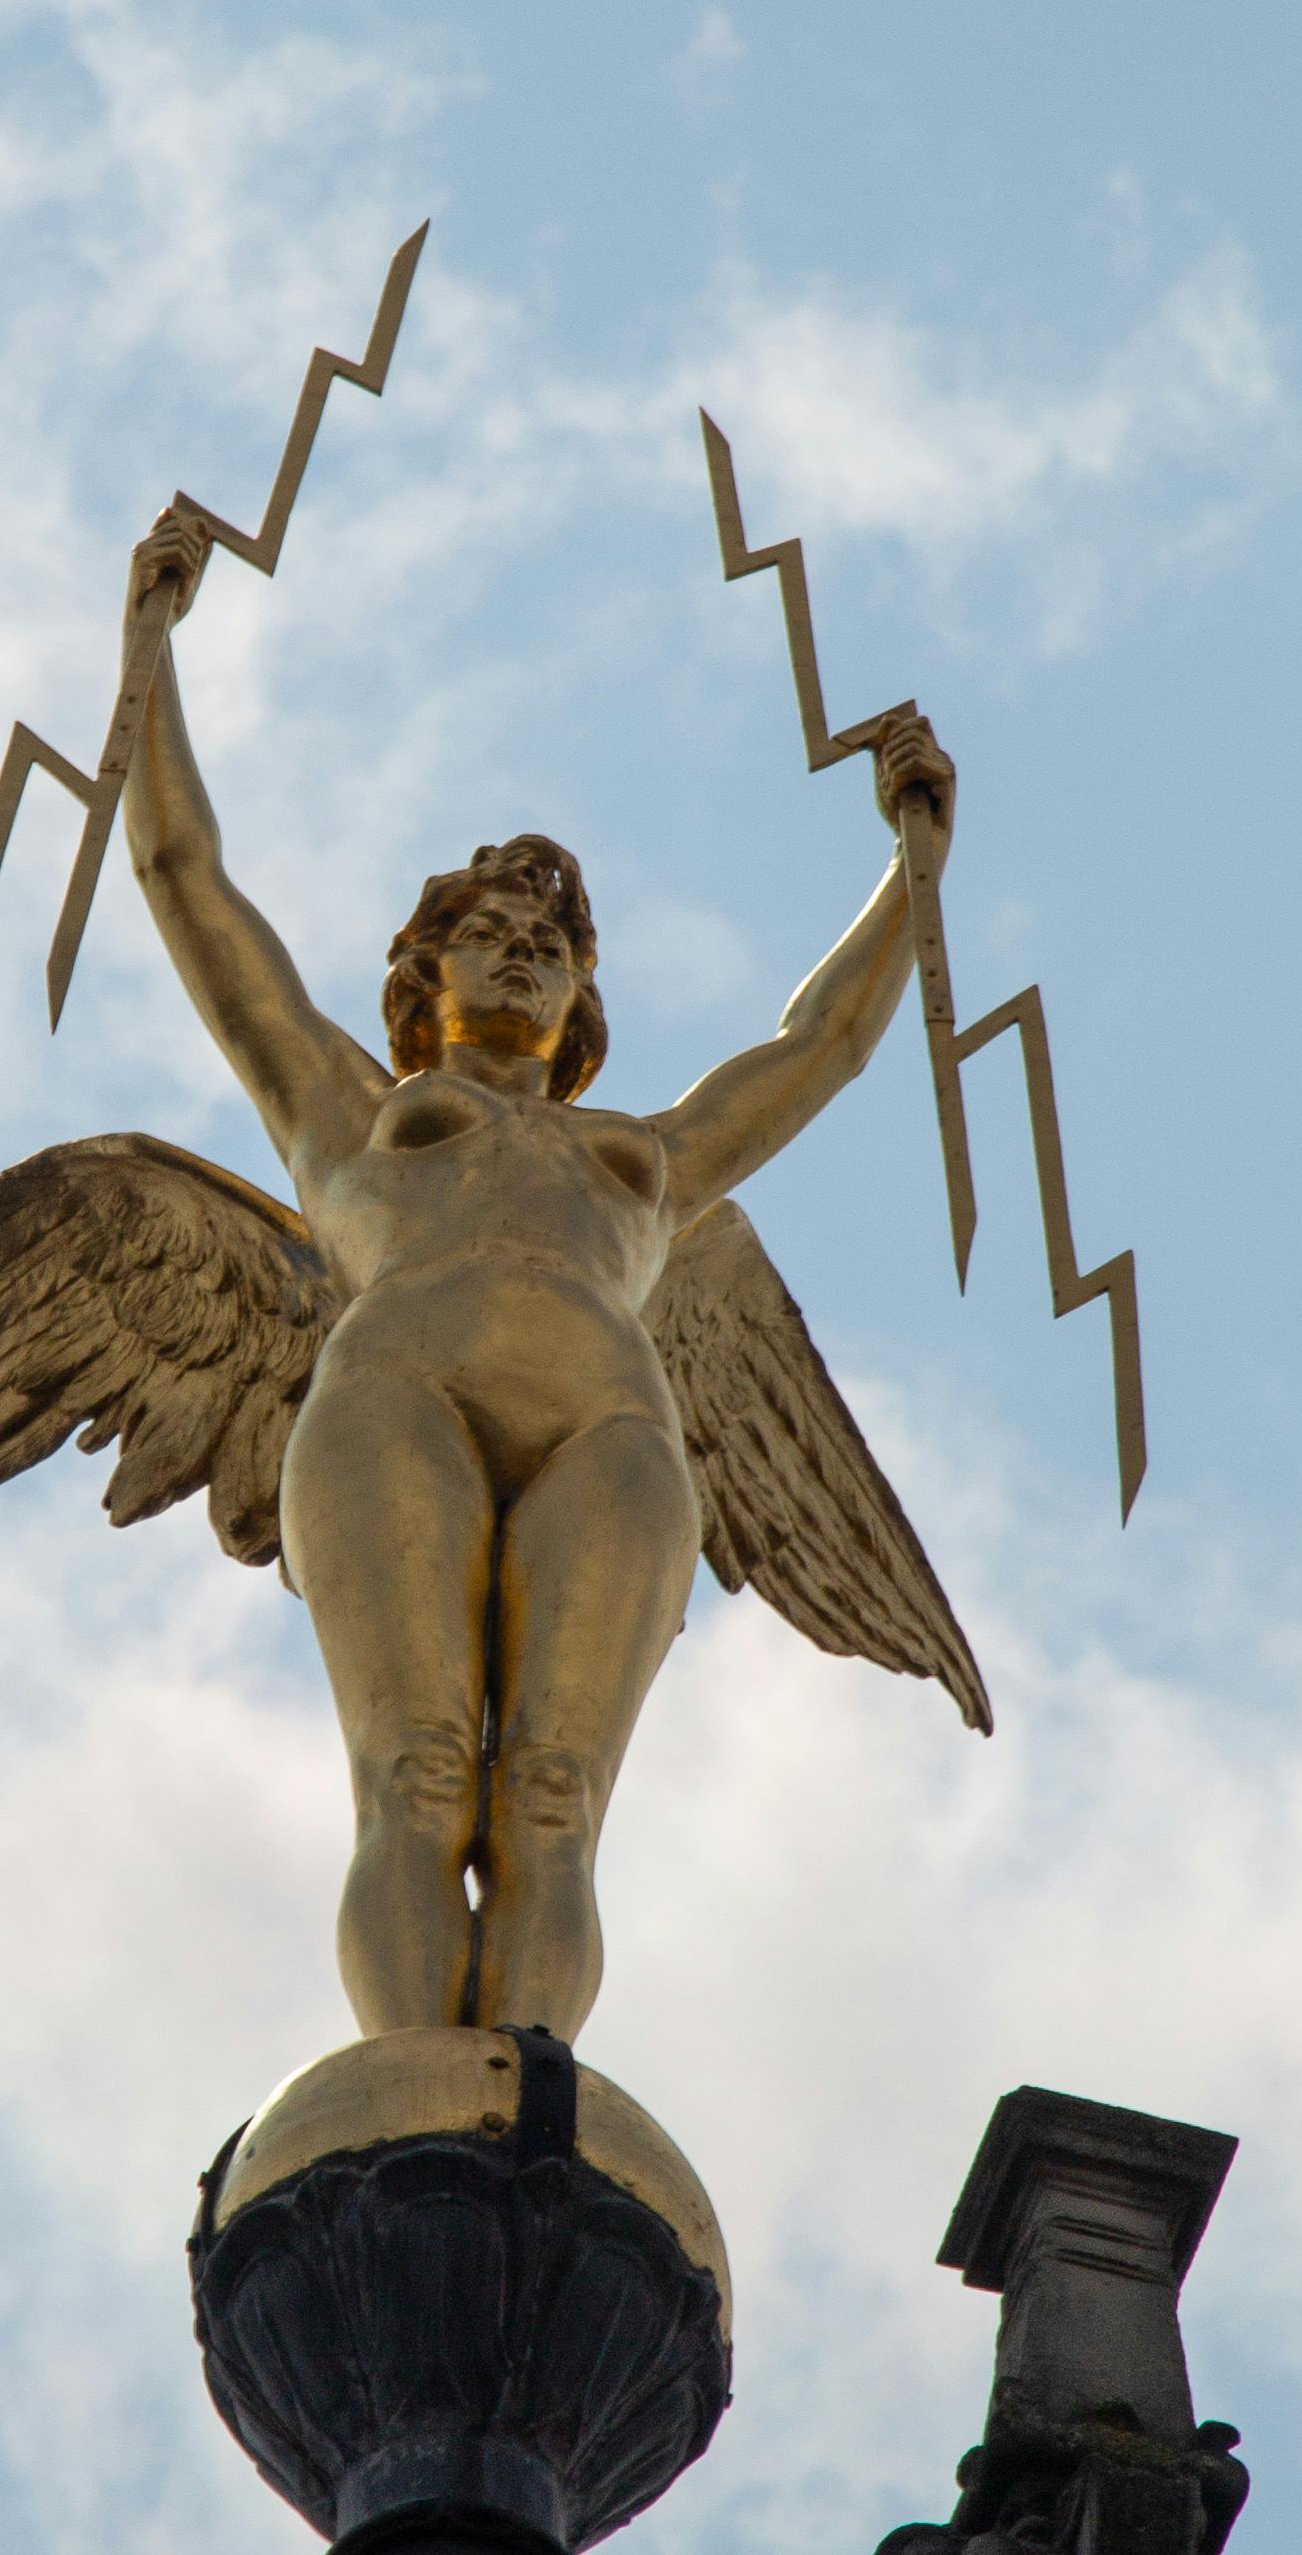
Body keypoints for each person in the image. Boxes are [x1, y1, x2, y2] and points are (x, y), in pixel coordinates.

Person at [118, 501, 955, 2044]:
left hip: (611, 1429)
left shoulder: (647, 1157)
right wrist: (149, 642)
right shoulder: (350, 1113)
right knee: (422, 1771)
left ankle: (527, 2101)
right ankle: (412, 2090)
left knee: (554, 1800)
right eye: (489, 936)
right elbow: (184, 876)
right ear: (422, 979)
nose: (522, 956)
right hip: (395, 1399)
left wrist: (914, 862)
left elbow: (823, 1045)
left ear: (579, 1002)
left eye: (551, 949)